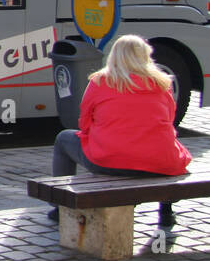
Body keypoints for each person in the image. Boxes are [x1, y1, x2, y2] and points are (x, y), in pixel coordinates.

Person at [46, 35, 189, 228]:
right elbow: (169, 121)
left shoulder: (100, 82)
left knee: (64, 139)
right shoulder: (163, 84)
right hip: (159, 163)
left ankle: (59, 206)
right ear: (146, 55)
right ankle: (166, 212)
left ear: (114, 56)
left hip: (109, 161)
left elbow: (84, 123)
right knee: (168, 145)